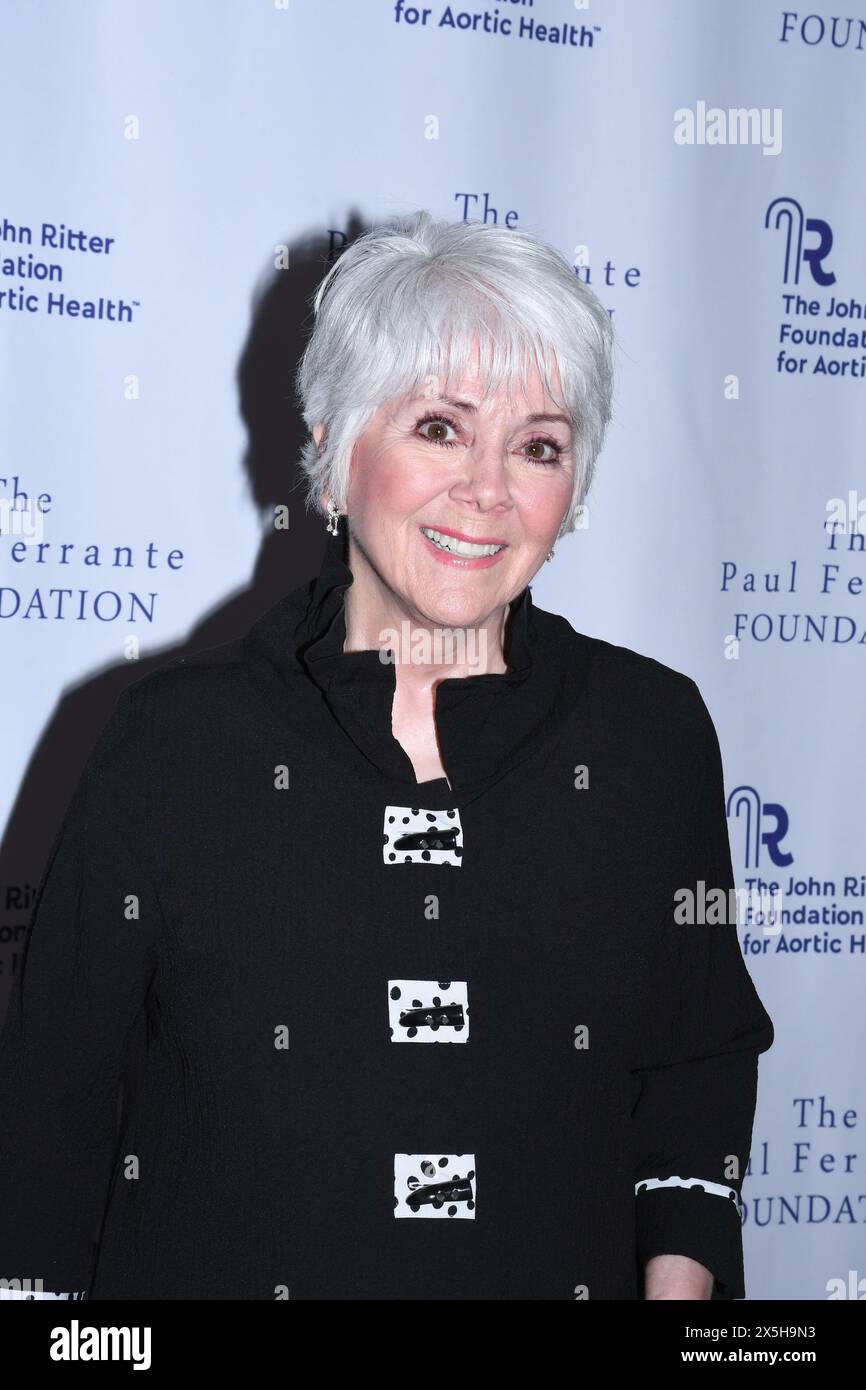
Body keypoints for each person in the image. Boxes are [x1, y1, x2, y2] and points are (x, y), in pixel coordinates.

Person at [0, 210, 773, 1300]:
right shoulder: (168, 745)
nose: (488, 491)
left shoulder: (650, 735)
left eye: (538, 446)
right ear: (333, 448)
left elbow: (693, 1065)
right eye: (440, 428)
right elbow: (48, 1128)